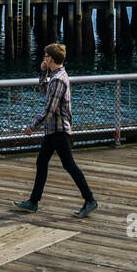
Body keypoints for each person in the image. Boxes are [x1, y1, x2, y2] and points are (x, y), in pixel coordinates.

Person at [14, 44, 98, 218]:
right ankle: (33, 202)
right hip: (52, 131)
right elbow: (44, 91)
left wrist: (32, 126)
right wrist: (42, 72)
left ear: (51, 58)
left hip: (59, 131)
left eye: (45, 56)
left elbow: (50, 109)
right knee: (42, 163)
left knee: (69, 165)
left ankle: (90, 200)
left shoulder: (59, 79)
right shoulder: (54, 77)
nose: (44, 58)